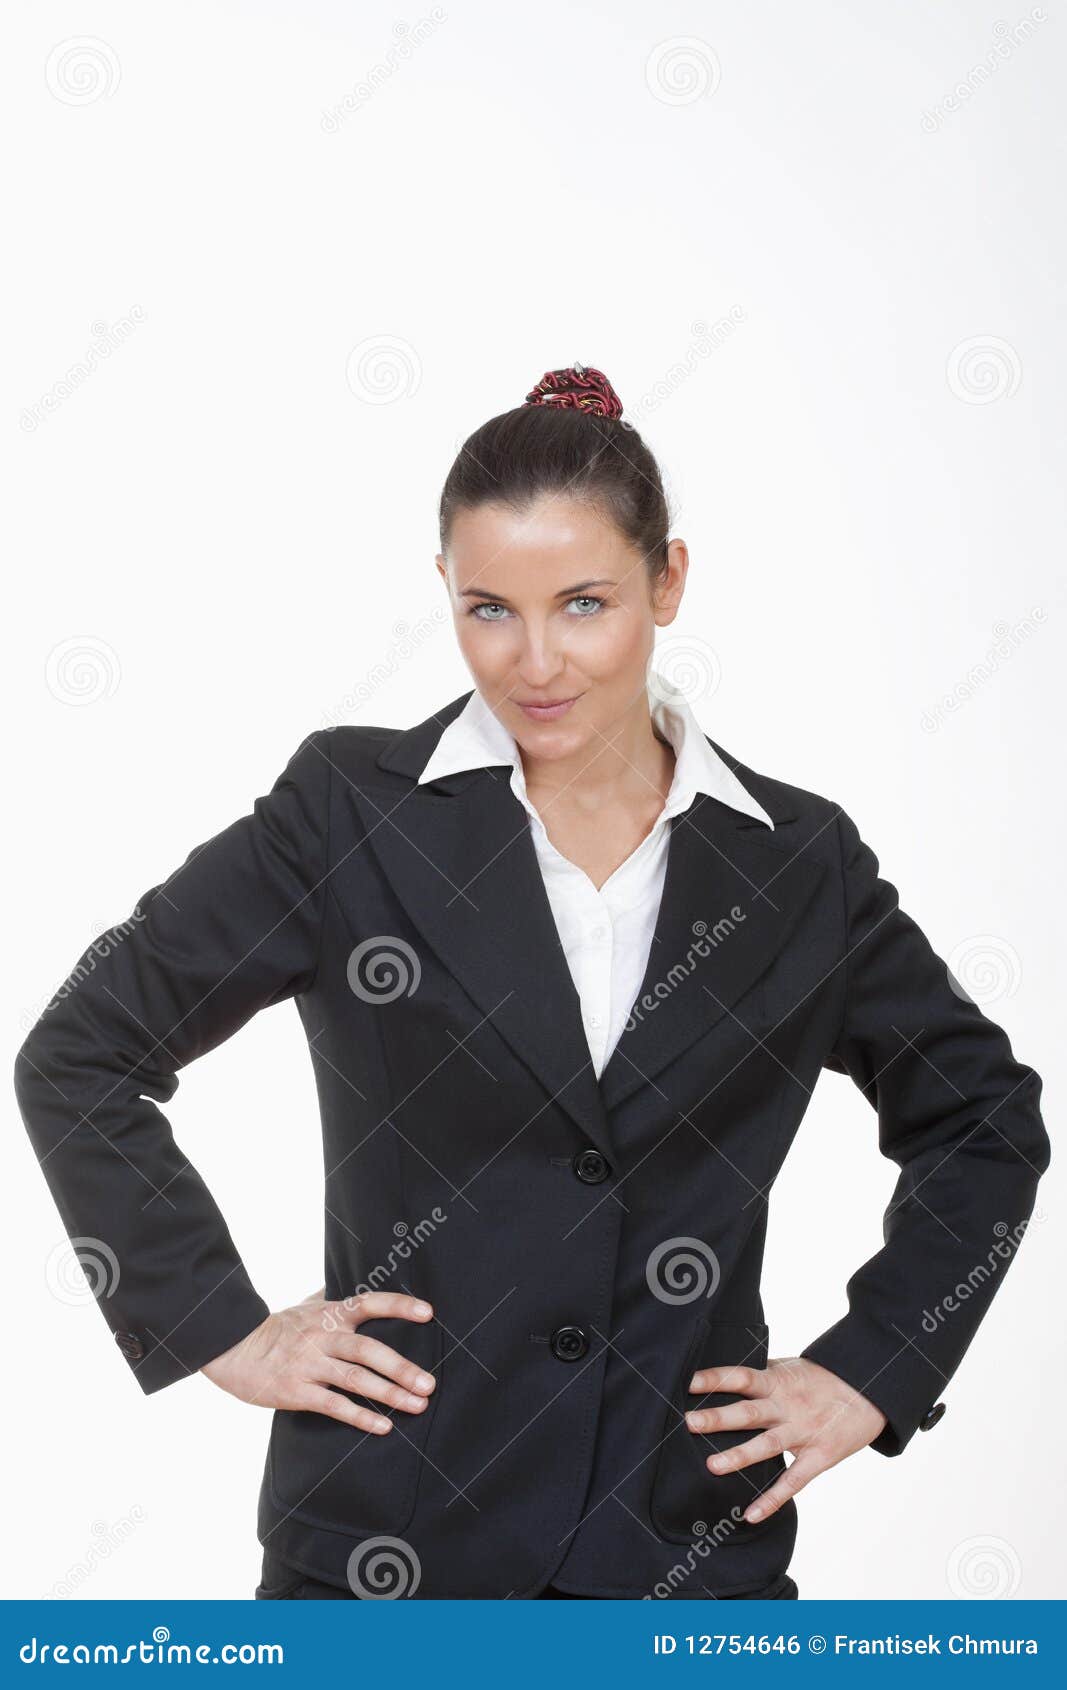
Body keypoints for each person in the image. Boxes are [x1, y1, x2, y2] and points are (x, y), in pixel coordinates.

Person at [14, 365, 1049, 1601]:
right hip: (381, 1563)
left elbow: (982, 1119)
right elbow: (80, 1054)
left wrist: (876, 1366)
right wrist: (219, 1329)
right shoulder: (349, 814)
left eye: (585, 602)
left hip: (681, 1559)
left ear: (668, 582)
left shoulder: (796, 864)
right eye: (488, 609)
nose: (535, 660)